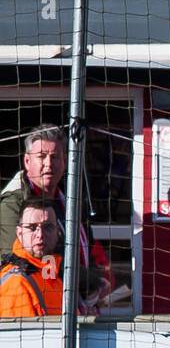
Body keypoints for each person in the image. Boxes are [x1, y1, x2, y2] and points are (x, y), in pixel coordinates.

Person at [0, 125, 112, 312]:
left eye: (55, 157)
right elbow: (23, 261)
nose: (49, 164)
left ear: (66, 161)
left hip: (70, 306)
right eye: (41, 157)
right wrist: (90, 282)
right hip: (27, 306)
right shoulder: (12, 204)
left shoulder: (70, 202)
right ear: (27, 161)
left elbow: (90, 251)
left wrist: (97, 283)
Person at [0, 199, 64, 317]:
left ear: (58, 232)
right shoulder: (17, 283)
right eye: (32, 227)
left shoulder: (53, 274)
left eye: (48, 227)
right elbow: (21, 335)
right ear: (19, 233)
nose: (40, 235)